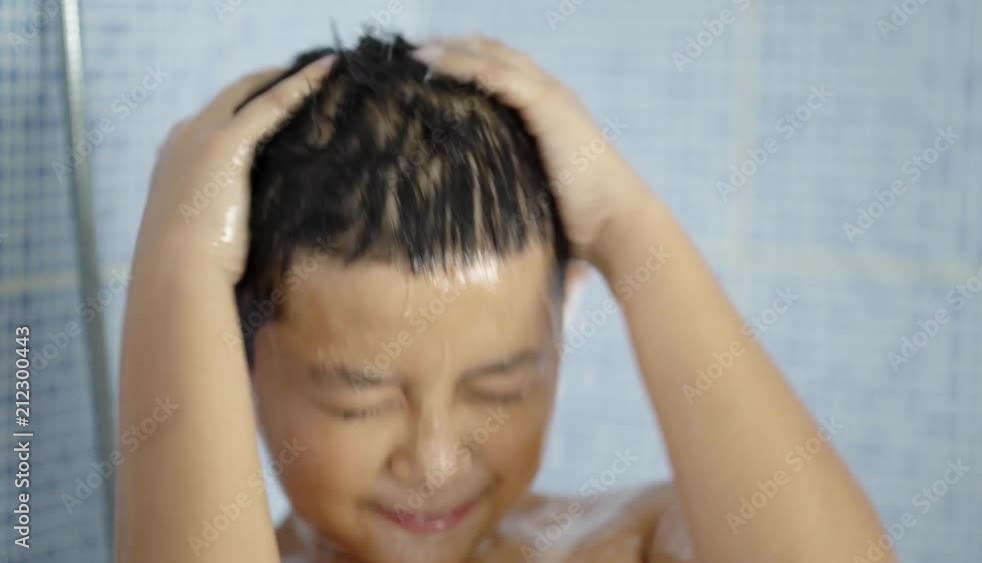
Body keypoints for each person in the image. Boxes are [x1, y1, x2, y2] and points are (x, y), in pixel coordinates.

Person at [116, 34, 896, 563]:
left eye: (499, 387)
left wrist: (634, 232)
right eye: (360, 401)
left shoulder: (622, 544)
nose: (433, 459)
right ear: (236, 356)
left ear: (565, 326)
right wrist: (179, 271)